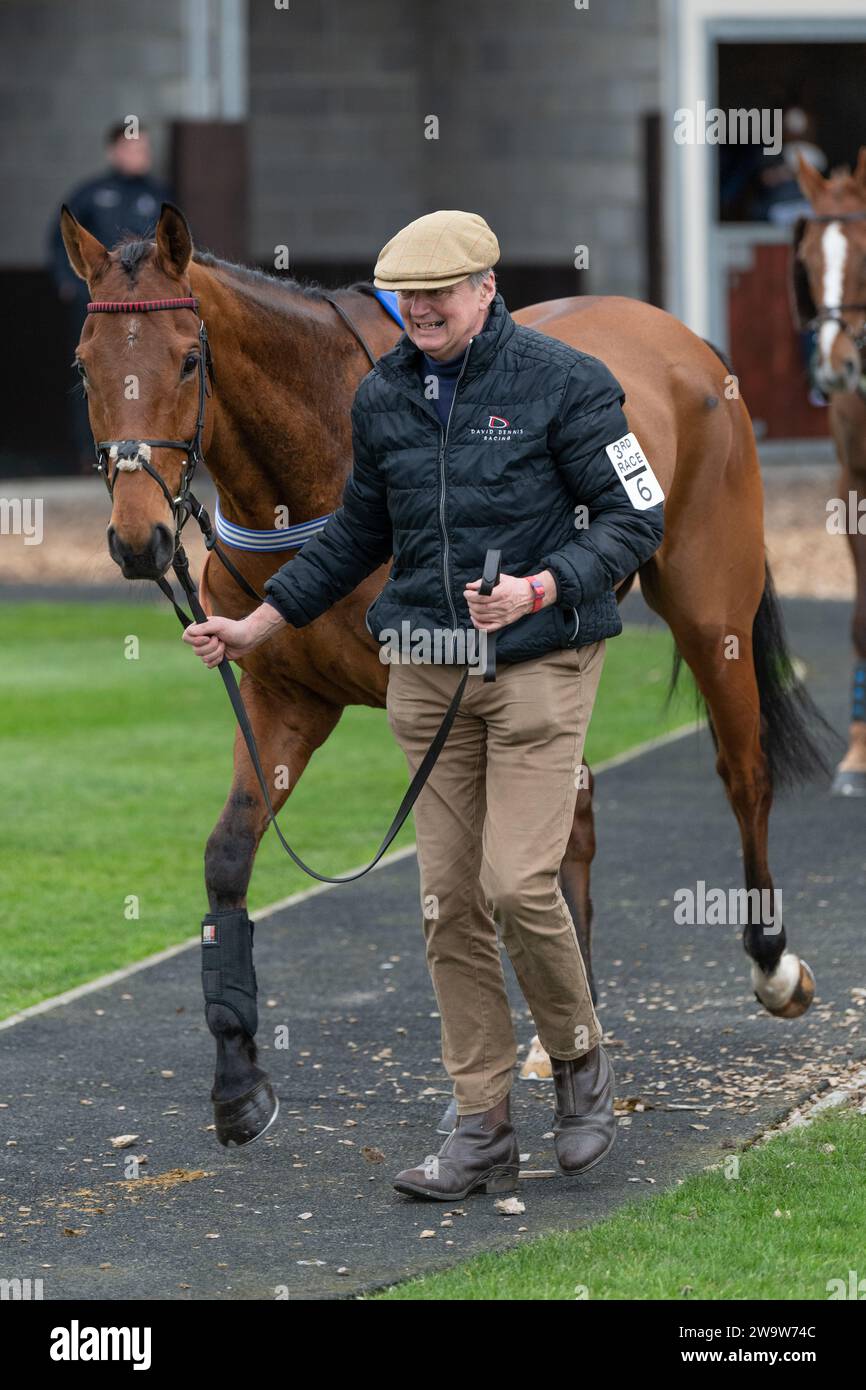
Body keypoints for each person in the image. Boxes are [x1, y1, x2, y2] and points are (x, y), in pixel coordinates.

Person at [183, 210, 665, 1201]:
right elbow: (356, 532)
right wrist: (260, 625)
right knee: (446, 904)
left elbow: (635, 517)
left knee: (517, 884)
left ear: (486, 287)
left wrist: (538, 587)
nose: (419, 310)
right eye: (405, 296)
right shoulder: (386, 394)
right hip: (424, 672)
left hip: (538, 659)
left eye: (437, 293)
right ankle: (480, 1124)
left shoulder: (567, 383)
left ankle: (577, 1061)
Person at [47, 121, 173, 472]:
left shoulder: (160, 194)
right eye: (133, 148)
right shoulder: (90, 193)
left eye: (145, 149)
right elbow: (60, 240)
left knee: (150, 371)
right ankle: (90, 453)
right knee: (93, 371)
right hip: (101, 304)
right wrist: (66, 282)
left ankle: (153, 449)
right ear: (114, 151)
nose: (140, 155)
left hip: (148, 308)